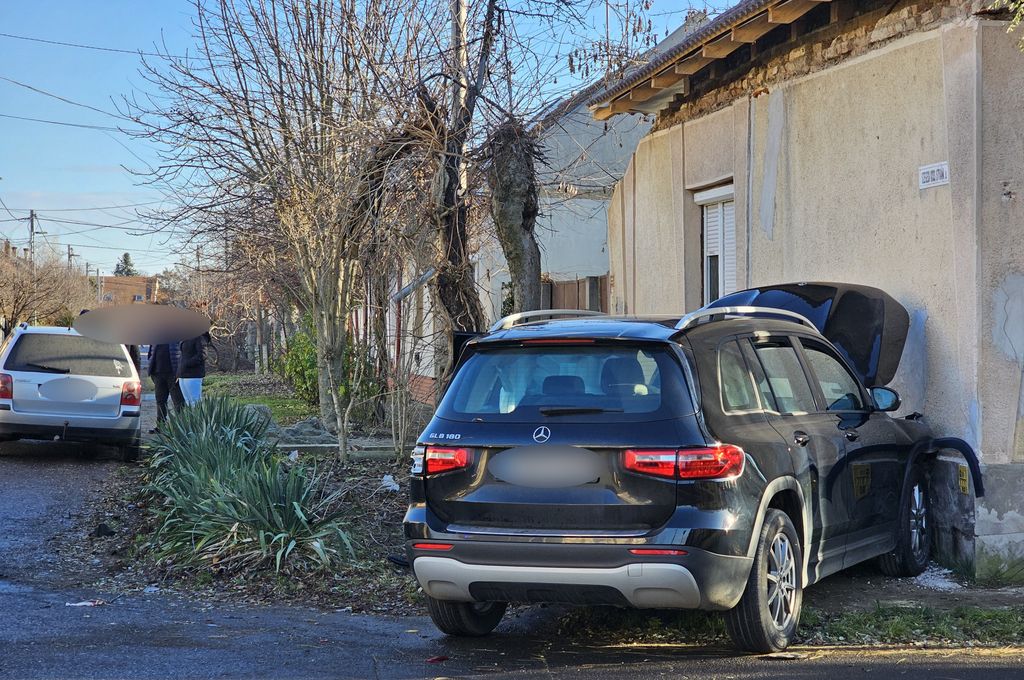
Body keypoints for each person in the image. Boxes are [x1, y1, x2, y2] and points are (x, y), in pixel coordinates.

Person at [148, 342, 184, 431]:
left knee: (178, 403)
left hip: (173, 374)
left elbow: (184, 353)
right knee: (160, 401)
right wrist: (152, 370)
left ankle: (181, 427)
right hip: (158, 374)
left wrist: (179, 372)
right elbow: (150, 353)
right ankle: (161, 426)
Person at [177, 332, 209, 405]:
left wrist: (188, 363)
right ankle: (190, 417)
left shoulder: (199, 337)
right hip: (183, 374)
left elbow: (203, 355)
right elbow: (183, 355)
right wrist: (178, 372)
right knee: (187, 401)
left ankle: (198, 417)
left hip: (193, 374)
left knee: (195, 401)